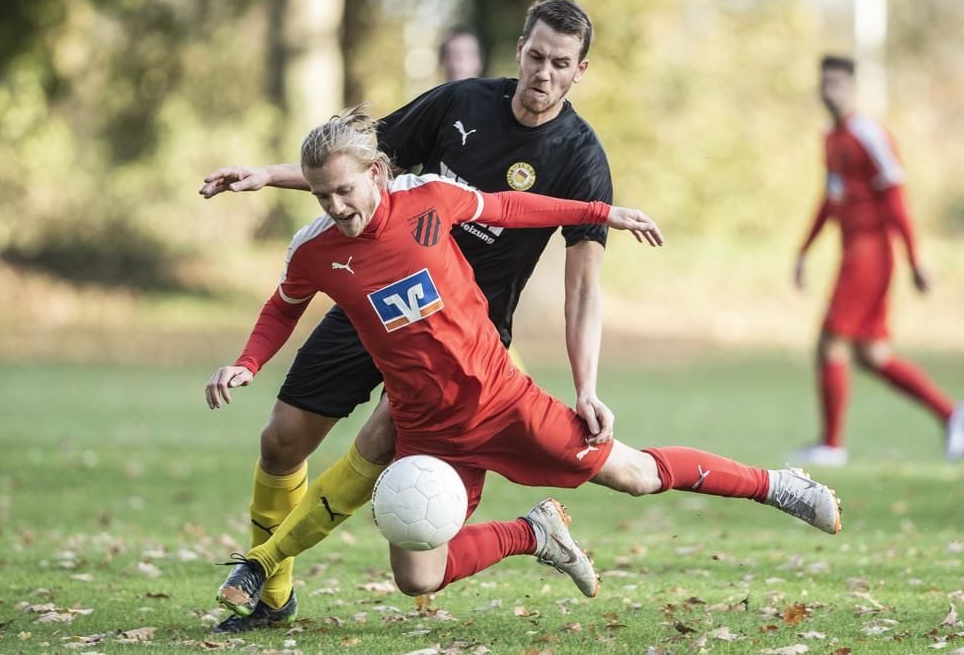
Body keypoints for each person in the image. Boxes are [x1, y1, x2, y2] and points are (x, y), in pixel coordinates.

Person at [206, 106, 842, 618]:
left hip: (502, 402)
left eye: (345, 191)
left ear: (377, 173)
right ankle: (534, 534)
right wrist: (247, 363)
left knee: (637, 475)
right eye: (322, 197)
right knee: (417, 577)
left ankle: (779, 485)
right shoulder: (315, 251)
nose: (337, 209)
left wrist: (600, 214)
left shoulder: (429, 198)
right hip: (426, 431)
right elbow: (282, 308)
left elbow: (510, 207)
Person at [199, 0, 625, 632]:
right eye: (535, 55)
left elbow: (582, 285)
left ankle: (259, 569)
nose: (543, 72)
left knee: (375, 446)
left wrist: (587, 386)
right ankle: (275, 593)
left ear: (579, 69)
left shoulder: (581, 156)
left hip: (459, 336)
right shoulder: (459, 104)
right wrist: (267, 175)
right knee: (281, 439)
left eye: (559, 63)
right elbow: (350, 169)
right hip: (373, 289)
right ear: (518, 49)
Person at [792, 54, 963, 467]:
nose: (829, 92)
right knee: (871, 355)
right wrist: (805, 249)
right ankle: (952, 414)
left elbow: (896, 197)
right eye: (825, 84)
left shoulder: (868, 133)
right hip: (852, 250)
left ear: (852, 88)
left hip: (871, 250)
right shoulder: (831, 139)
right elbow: (829, 202)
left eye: (837, 84)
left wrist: (915, 258)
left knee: (830, 343)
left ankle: (832, 447)